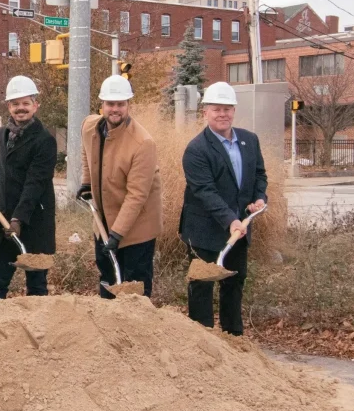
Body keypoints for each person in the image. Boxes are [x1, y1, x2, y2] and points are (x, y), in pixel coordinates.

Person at [180, 81, 267, 336]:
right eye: (216, 109)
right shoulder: (196, 149)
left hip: (239, 228)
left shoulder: (249, 141)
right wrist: (231, 220)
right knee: (202, 286)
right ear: (205, 112)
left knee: (234, 282)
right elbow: (205, 192)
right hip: (204, 230)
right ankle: (202, 339)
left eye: (227, 109)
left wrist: (259, 198)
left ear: (234, 111)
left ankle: (233, 338)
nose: (222, 114)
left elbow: (259, 175)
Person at [78, 75, 162, 298]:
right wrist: (86, 183)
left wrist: (117, 234)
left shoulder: (143, 143)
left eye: (120, 104)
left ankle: (136, 330)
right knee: (107, 279)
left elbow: (137, 195)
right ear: (102, 104)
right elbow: (86, 152)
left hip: (137, 227)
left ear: (128, 105)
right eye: (110, 104)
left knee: (134, 287)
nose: (115, 109)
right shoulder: (89, 127)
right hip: (104, 221)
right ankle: (108, 327)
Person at [0, 75, 57, 299]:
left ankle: (38, 327)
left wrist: (18, 220)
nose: (20, 108)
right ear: (8, 106)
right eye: (15, 104)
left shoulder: (45, 141)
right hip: (5, 217)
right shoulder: (2, 134)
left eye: (25, 103)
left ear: (35, 105)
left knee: (36, 284)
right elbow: (1, 166)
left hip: (34, 220)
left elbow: (36, 183)